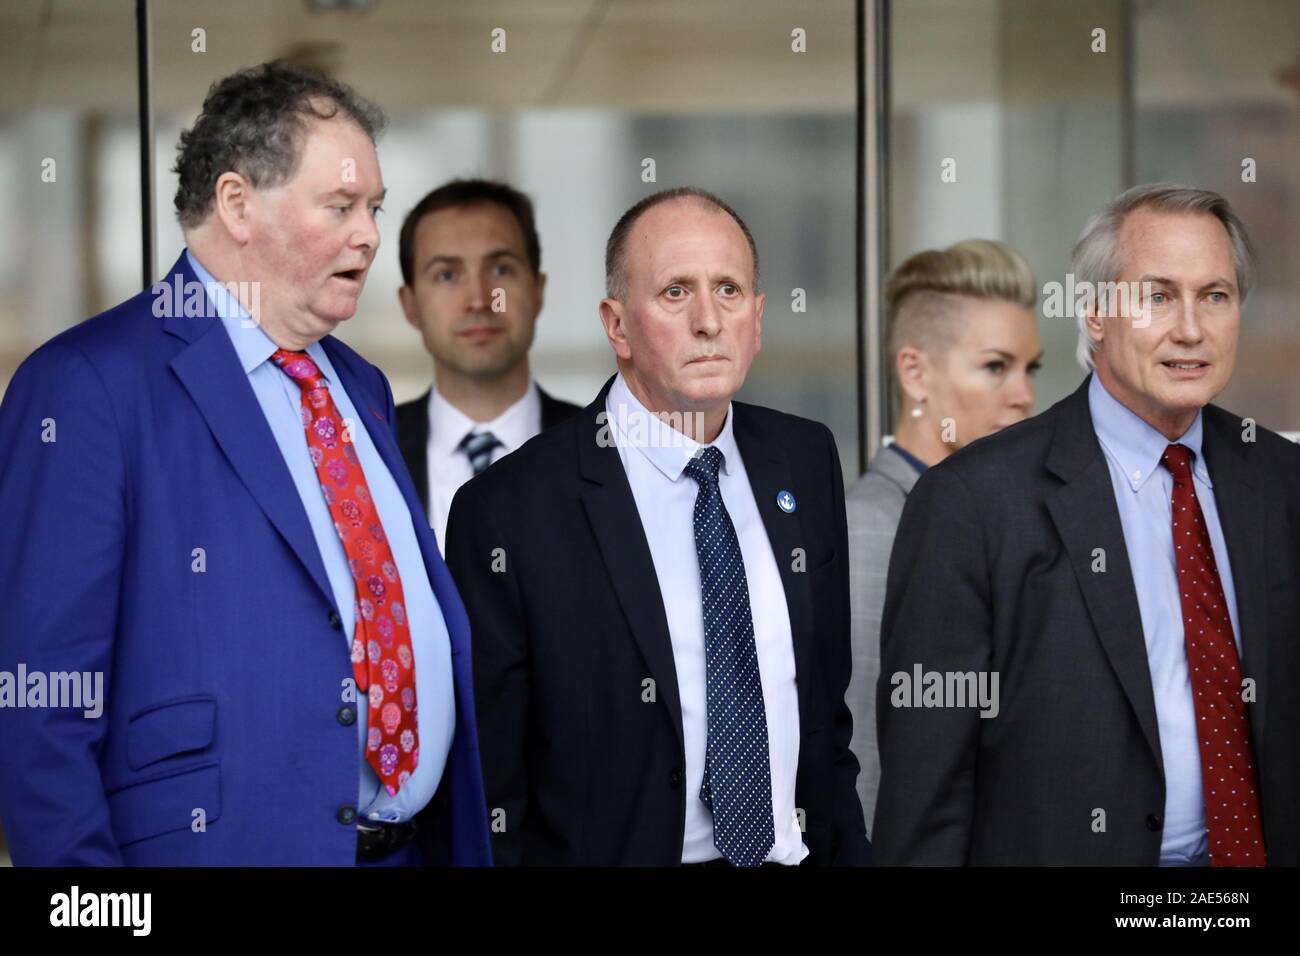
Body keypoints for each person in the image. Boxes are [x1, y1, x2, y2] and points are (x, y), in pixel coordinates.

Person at [0, 61, 492, 866]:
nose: (370, 234)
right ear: (237, 204)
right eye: (340, 206)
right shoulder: (86, 385)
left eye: (373, 207)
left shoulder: (360, 384)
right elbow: (38, 718)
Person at [874, 183, 1300, 865]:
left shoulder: (1282, 482)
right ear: (1095, 314)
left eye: (1215, 296)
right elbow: (927, 797)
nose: (1190, 328)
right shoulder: (974, 502)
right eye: (1157, 296)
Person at [444, 187, 871, 866]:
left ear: (758, 319)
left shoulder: (804, 458)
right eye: (675, 292)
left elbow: (823, 720)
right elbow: (492, 782)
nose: (708, 320)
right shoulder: (509, 510)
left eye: (729, 291)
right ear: (617, 326)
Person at [846, 239, 1041, 835]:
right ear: (915, 372)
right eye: (994, 367)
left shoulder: (1005, 516)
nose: (1024, 396)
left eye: (1031, 368)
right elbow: (865, 763)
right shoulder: (870, 526)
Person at [394, 179, 580, 550]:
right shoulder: (368, 453)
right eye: (446, 275)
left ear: (537, 290)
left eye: (501, 270)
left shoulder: (608, 450)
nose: (479, 299)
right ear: (410, 305)